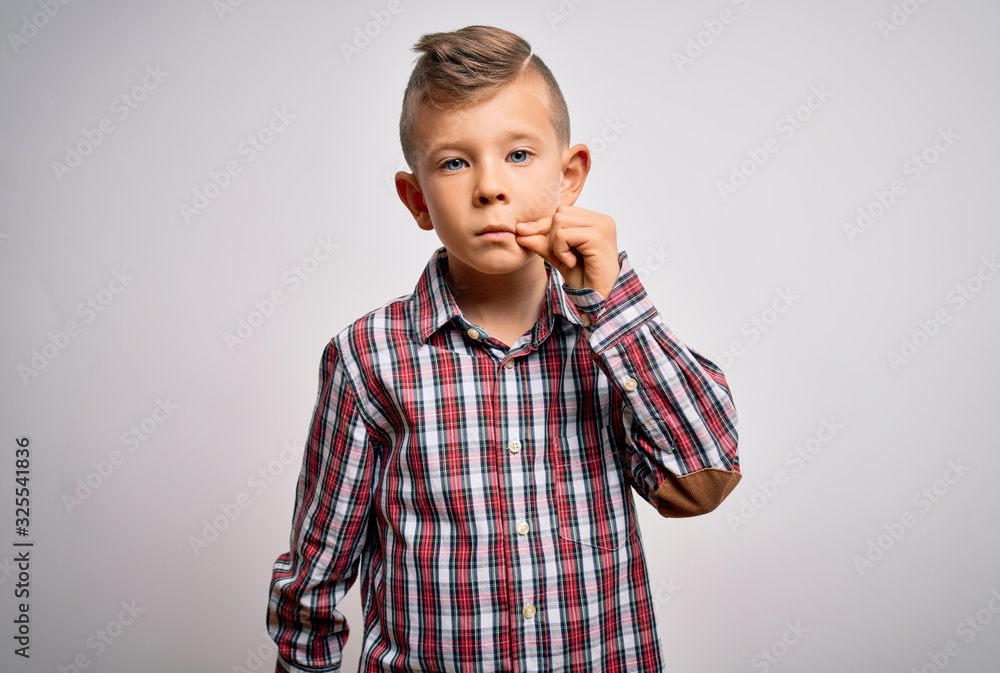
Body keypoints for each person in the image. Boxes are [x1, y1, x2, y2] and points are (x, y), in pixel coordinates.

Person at [266, 24, 741, 672]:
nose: (489, 187)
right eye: (454, 162)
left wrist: (616, 309)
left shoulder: (610, 343)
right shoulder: (367, 357)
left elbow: (701, 482)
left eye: (518, 154)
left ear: (569, 176)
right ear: (416, 199)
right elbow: (315, 578)